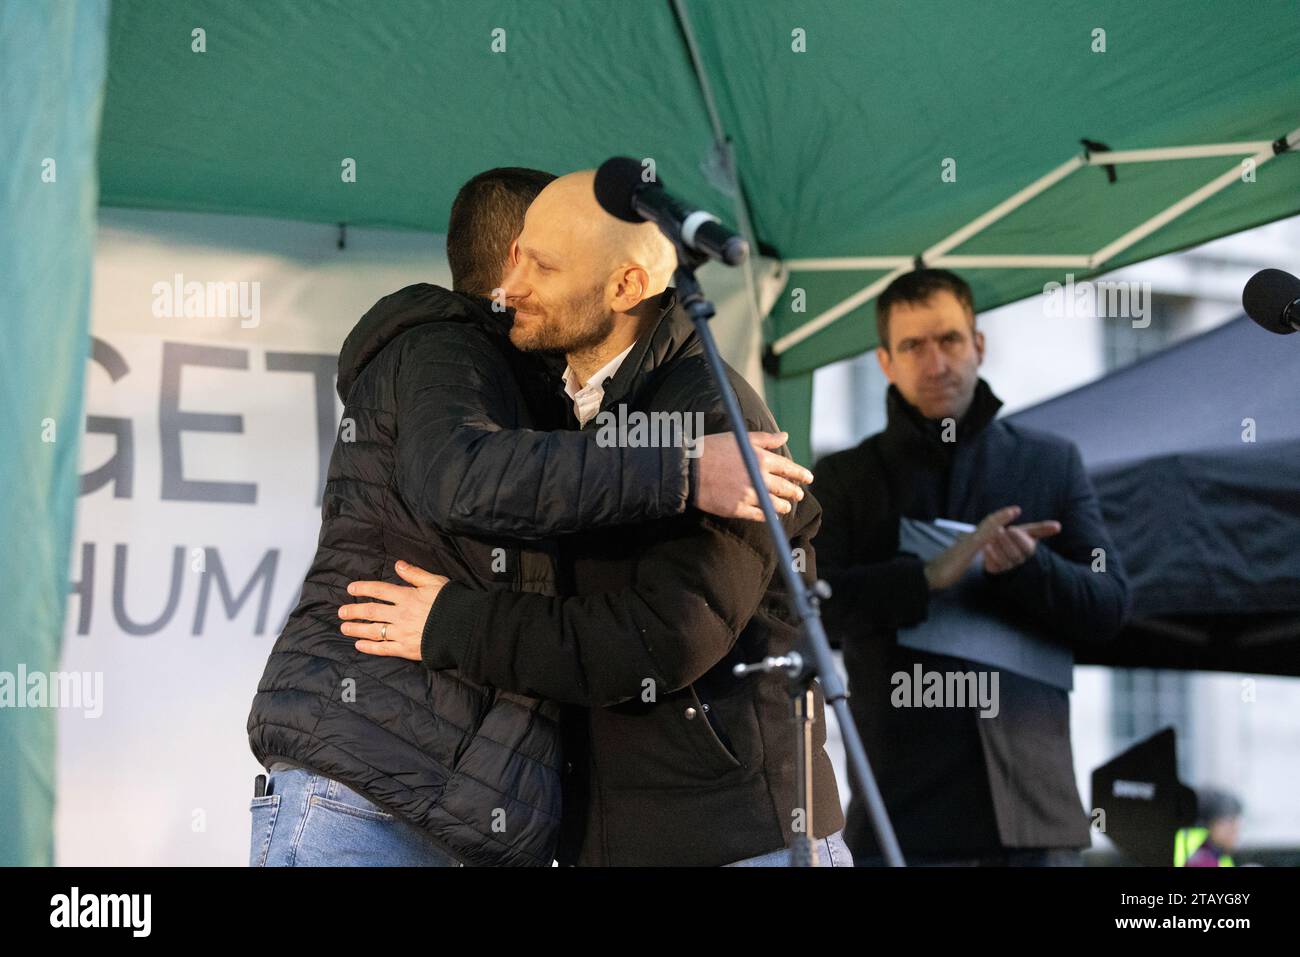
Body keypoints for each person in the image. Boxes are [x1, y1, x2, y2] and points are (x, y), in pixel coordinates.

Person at [245, 167, 811, 867]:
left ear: (624, 284)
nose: (516, 283)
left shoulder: (692, 410)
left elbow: (663, 636)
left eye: (542, 262)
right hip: (371, 785)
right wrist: (681, 469)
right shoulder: (447, 347)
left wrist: (452, 624)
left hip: (713, 836)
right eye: (518, 257)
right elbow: (461, 477)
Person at [810, 268, 1130, 866]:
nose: (936, 363)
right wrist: (923, 578)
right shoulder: (847, 477)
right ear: (885, 362)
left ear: (978, 345)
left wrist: (1031, 570)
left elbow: (1110, 606)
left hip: (1031, 811)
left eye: (949, 340)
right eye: (913, 346)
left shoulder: (1048, 463)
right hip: (901, 810)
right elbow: (807, 608)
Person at [1177, 788, 1243, 867]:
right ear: (1210, 824)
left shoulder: (1217, 857)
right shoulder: (1201, 861)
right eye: (1230, 821)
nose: (1235, 829)